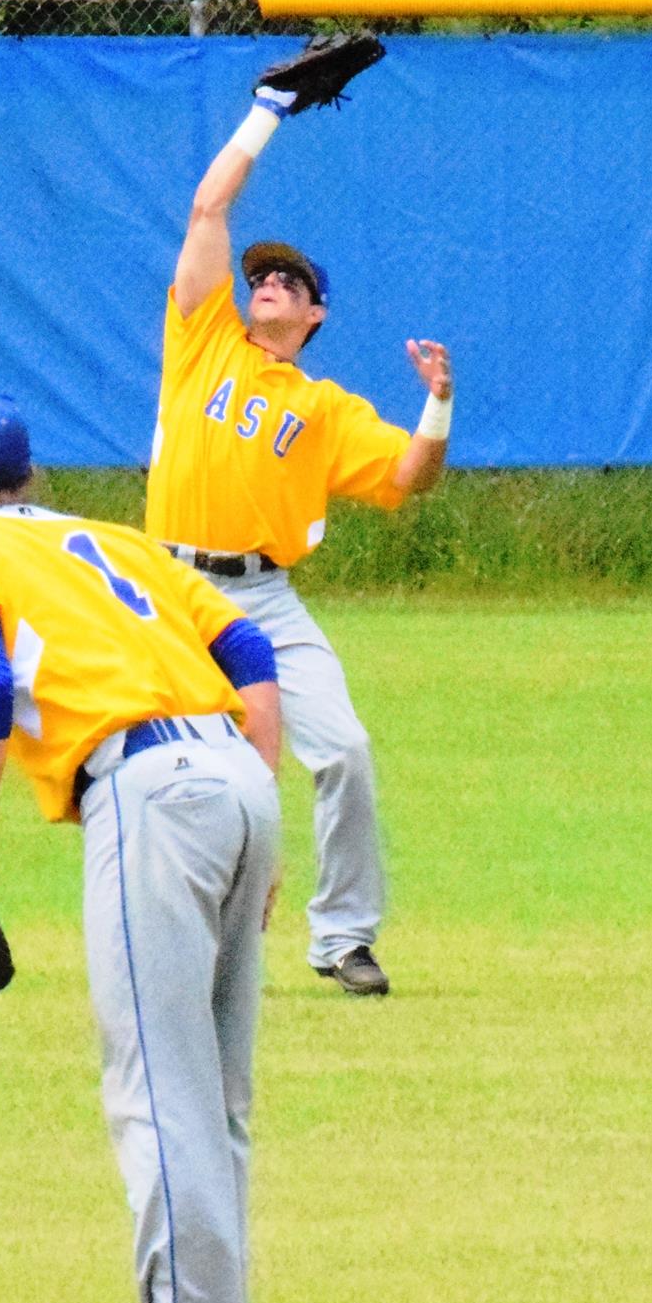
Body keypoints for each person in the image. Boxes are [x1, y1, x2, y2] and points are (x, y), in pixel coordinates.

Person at [0, 385, 283, 1303]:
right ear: (28, 473)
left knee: (154, 1078)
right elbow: (248, 651)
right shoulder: (114, 538)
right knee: (215, 1083)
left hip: (150, 793)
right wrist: (267, 817)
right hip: (239, 774)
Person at [145, 70, 453, 998]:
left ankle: (341, 939)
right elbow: (208, 207)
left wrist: (438, 405)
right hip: (165, 587)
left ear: (315, 315)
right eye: (263, 277)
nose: (269, 283)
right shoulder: (204, 338)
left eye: (291, 281)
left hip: (263, 599)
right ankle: (173, 931)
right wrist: (267, 110)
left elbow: (408, 477)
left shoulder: (325, 408)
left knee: (347, 752)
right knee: (155, 767)